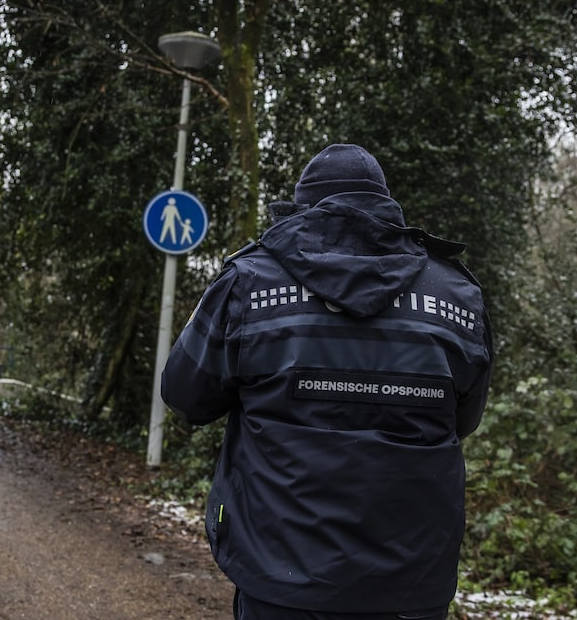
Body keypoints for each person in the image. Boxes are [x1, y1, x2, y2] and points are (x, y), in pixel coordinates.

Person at [161, 144, 493, 619]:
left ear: (303, 207)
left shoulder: (249, 282)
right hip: (412, 584)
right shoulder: (458, 295)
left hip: (281, 575)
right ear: (386, 205)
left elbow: (185, 394)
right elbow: (464, 418)